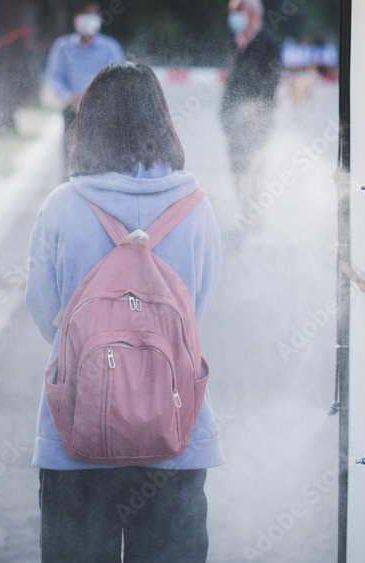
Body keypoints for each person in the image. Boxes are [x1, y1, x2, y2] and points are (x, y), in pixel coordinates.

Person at [26, 61, 223, 561]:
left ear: (88, 123)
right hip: (173, 434)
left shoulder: (62, 204)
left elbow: (43, 307)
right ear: (161, 120)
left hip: (78, 433)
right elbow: (195, 305)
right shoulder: (196, 206)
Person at [43, 2, 124, 180]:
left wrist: (98, 99)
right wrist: (69, 97)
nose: (91, 17)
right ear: (76, 18)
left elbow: (119, 79)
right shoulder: (63, 47)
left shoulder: (110, 47)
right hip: (73, 112)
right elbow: (54, 76)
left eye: (94, 13)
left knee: (103, 161)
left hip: (103, 113)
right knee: (70, 161)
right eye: (87, 13)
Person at [219, 0, 281, 229]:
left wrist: (254, 115)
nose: (234, 16)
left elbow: (270, 86)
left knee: (255, 174)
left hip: (257, 125)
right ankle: (246, 217)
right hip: (233, 125)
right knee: (238, 173)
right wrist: (226, 116)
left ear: (252, 14)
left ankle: (257, 222)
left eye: (238, 12)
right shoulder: (233, 42)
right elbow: (230, 83)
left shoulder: (269, 44)